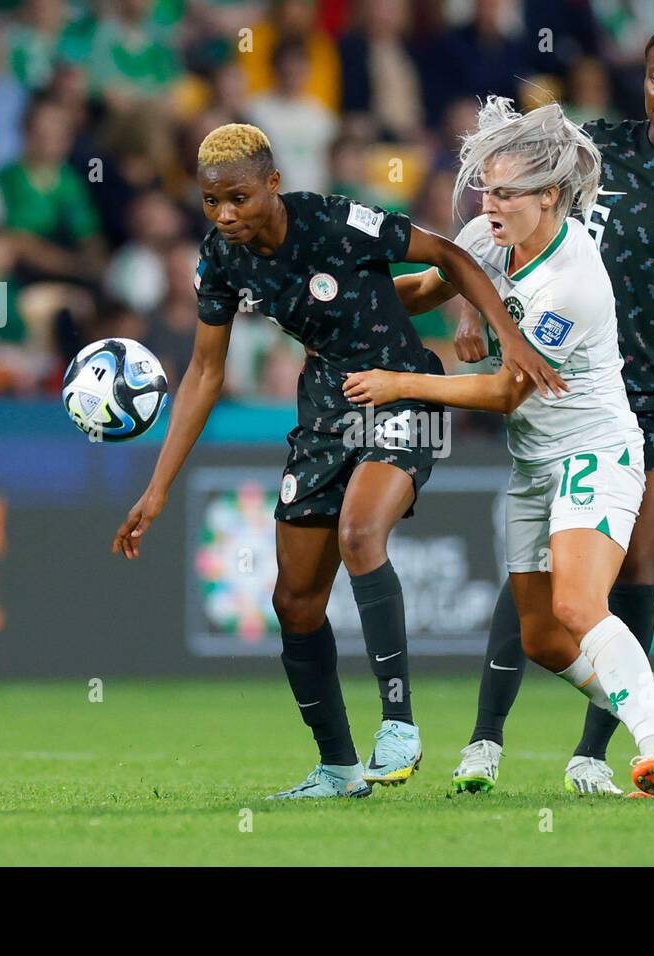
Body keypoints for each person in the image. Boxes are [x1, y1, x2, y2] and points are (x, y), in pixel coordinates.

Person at [111, 123, 564, 799]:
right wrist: (158, 486)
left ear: (272, 184)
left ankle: (401, 725)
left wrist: (506, 335)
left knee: (360, 532)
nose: (225, 214)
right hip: (325, 411)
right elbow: (205, 373)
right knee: (293, 602)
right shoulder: (222, 260)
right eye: (211, 202)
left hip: (403, 389)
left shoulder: (335, 222)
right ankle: (338, 769)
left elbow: (448, 256)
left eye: (237, 197)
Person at [394, 23, 654, 796]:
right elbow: (478, 250)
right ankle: (498, 740)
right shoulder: (591, 150)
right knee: (547, 608)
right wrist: (471, 309)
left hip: (651, 388)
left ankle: (609, 750)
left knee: (625, 572)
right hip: (560, 391)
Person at [343, 96, 654, 798]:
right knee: (544, 638)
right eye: (485, 186)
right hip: (533, 463)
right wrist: (337, 298)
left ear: (550, 198)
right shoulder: (491, 235)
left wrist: (400, 382)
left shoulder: (570, 282)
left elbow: (504, 393)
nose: (489, 201)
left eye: (507, 191)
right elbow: (425, 286)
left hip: (593, 450)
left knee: (578, 606)